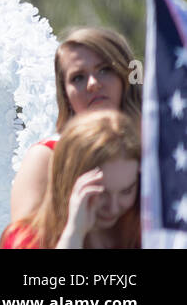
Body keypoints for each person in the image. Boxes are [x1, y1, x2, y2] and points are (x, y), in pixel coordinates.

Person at [9, 28, 141, 223]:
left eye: (105, 70)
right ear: (65, 94)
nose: (93, 84)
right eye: (78, 77)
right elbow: (21, 241)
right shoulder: (47, 156)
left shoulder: (159, 149)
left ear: (125, 75)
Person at [0, 109, 140, 248]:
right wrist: (74, 234)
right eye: (101, 193)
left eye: (126, 191)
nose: (113, 207)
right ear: (69, 181)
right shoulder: (26, 241)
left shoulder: (142, 228)